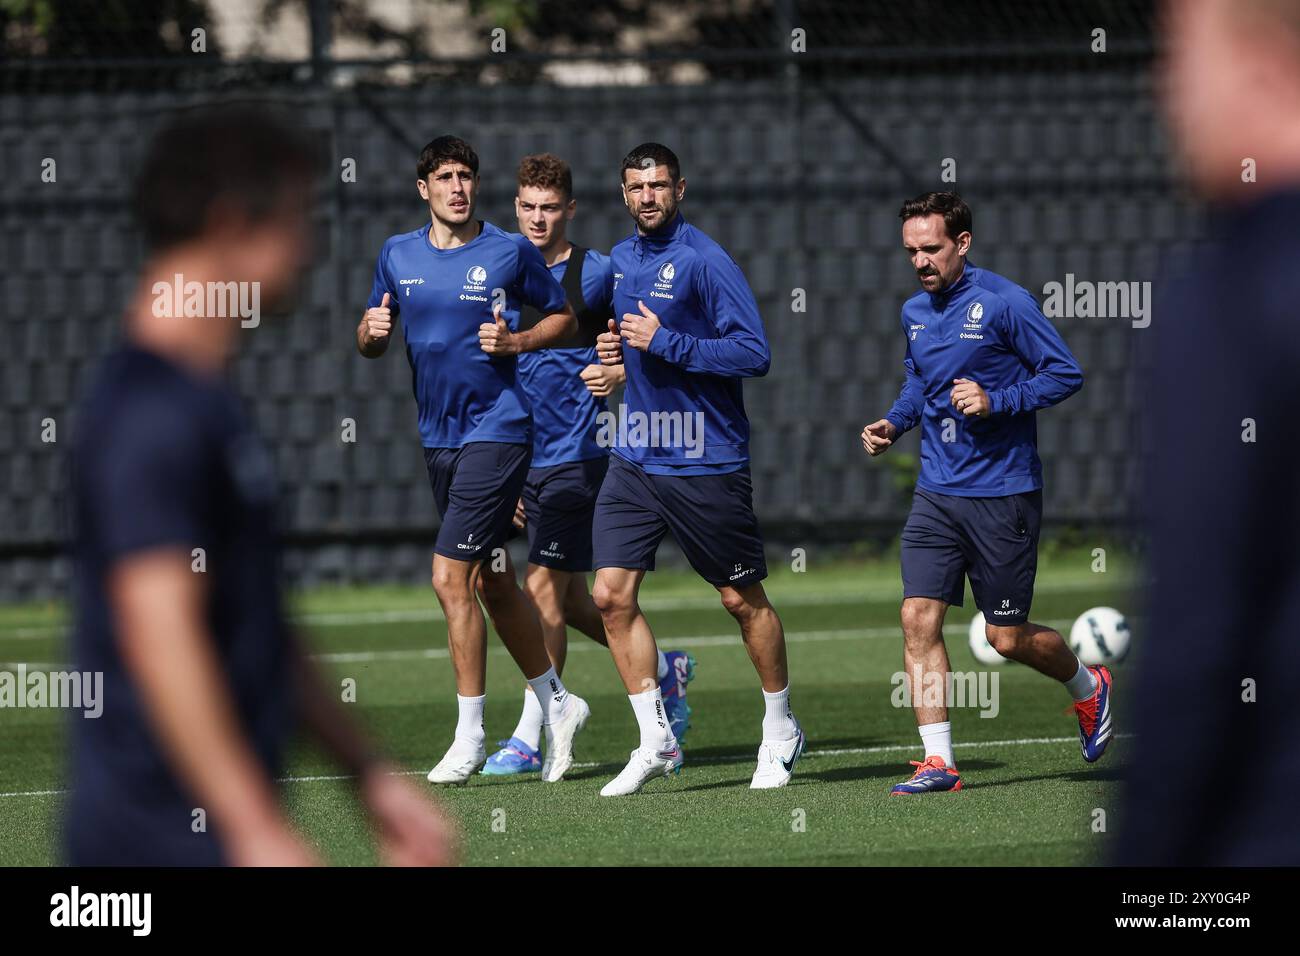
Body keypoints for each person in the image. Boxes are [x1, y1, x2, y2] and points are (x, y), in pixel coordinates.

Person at [66, 105, 455, 865]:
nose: (310, 248)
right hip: (147, 851)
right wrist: (252, 829)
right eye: (296, 219)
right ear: (231, 222)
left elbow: (259, 623)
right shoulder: (149, 410)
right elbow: (159, 628)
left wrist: (370, 776)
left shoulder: (206, 400)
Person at [1114, 0, 1300, 864]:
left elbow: (1200, 637)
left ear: (1264, 65)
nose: (1168, 96)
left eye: (1181, 60)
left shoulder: (1234, 292)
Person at [357, 136, 592, 786]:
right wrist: (369, 336)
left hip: (500, 430)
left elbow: (564, 318)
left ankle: (469, 736)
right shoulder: (396, 254)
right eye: (445, 177)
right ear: (423, 188)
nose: (457, 186)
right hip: (439, 440)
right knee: (493, 580)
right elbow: (370, 332)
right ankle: (557, 703)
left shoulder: (508, 250)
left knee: (448, 577)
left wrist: (517, 339)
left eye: (466, 176)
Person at [861, 191, 1100, 795]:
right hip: (936, 493)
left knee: (1006, 637)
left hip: (1003, 493)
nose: (920, 260)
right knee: (917, 617)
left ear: (961, 244)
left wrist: (1000, 401)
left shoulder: (1004, 302)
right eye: (911, 250)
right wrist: (894, 421)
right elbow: (921, 380)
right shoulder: (914, 310)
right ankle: (938, 763)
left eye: (931, 248)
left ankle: (1088, 687)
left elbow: (1064, 373)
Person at [592, 143, 802, 796]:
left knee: (741, 600)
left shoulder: (707, 261)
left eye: (658, 186)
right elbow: (632, 347)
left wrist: (668, 343)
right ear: (623, 194)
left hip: (705, 459)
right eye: (635, 187)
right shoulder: (621, 260)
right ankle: (654, 738)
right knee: (608, 595)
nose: (646, 196)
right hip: (636, 452)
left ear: (679, 189)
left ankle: (781, 728)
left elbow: (754, 352)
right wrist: (616, 361)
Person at [481, 153, 696, 775]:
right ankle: (665, 671)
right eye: (528, 207)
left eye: (551, 207)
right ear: (515, 208)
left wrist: (617, 371)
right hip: (521, 456)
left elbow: (640, 355)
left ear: (569, 210)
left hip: (584, 454)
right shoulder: (493, 272)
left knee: (542, 590)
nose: (538, 218)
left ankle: (530, 734)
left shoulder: (599, 273)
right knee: (575, 602)